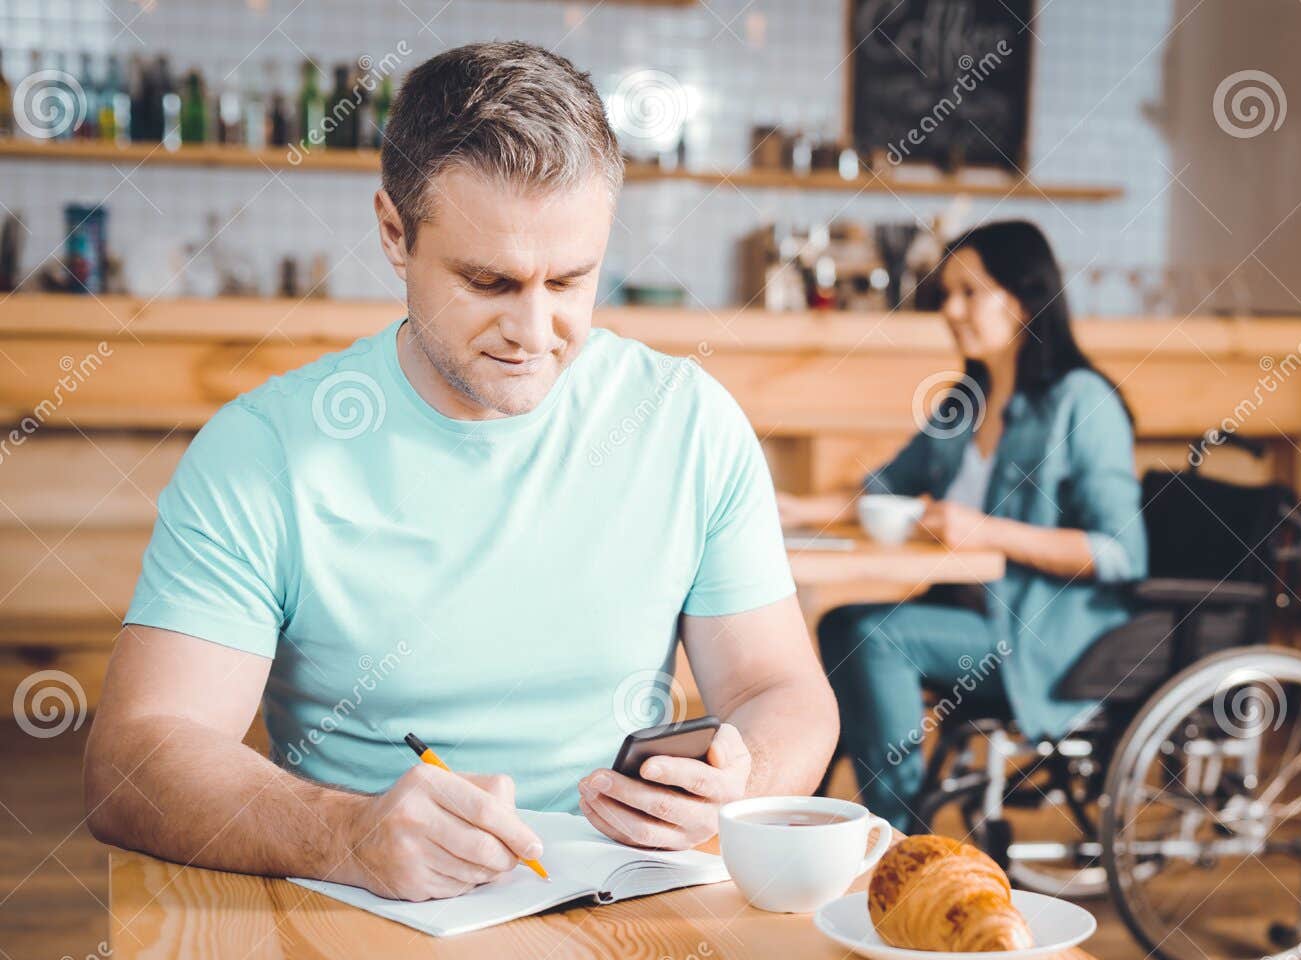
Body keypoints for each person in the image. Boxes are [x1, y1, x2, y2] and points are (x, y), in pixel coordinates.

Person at [84, 42, 838, 901]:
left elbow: (785, 692)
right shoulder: (263, 451)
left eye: (571, 279)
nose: (535, 329)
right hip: (367, 914)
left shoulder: (688, 422)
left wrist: (739, 785)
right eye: (490, 281)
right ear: (393, 233)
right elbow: (134, 759)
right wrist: (347, 834)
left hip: (628, 904)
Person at [779, 221, 1145, 832]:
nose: (949, 310)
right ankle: (817, 815)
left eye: (969, 293)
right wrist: (792, 508)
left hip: (1049, 636)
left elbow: (1118, 554)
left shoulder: (1083, 402)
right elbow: (885, 492)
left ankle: (896, 834)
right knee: (843, 624)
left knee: (875, 635)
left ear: (1023, 298)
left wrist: (986, 530)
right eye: (947, 293)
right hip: (971, 616)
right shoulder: (965, 399)